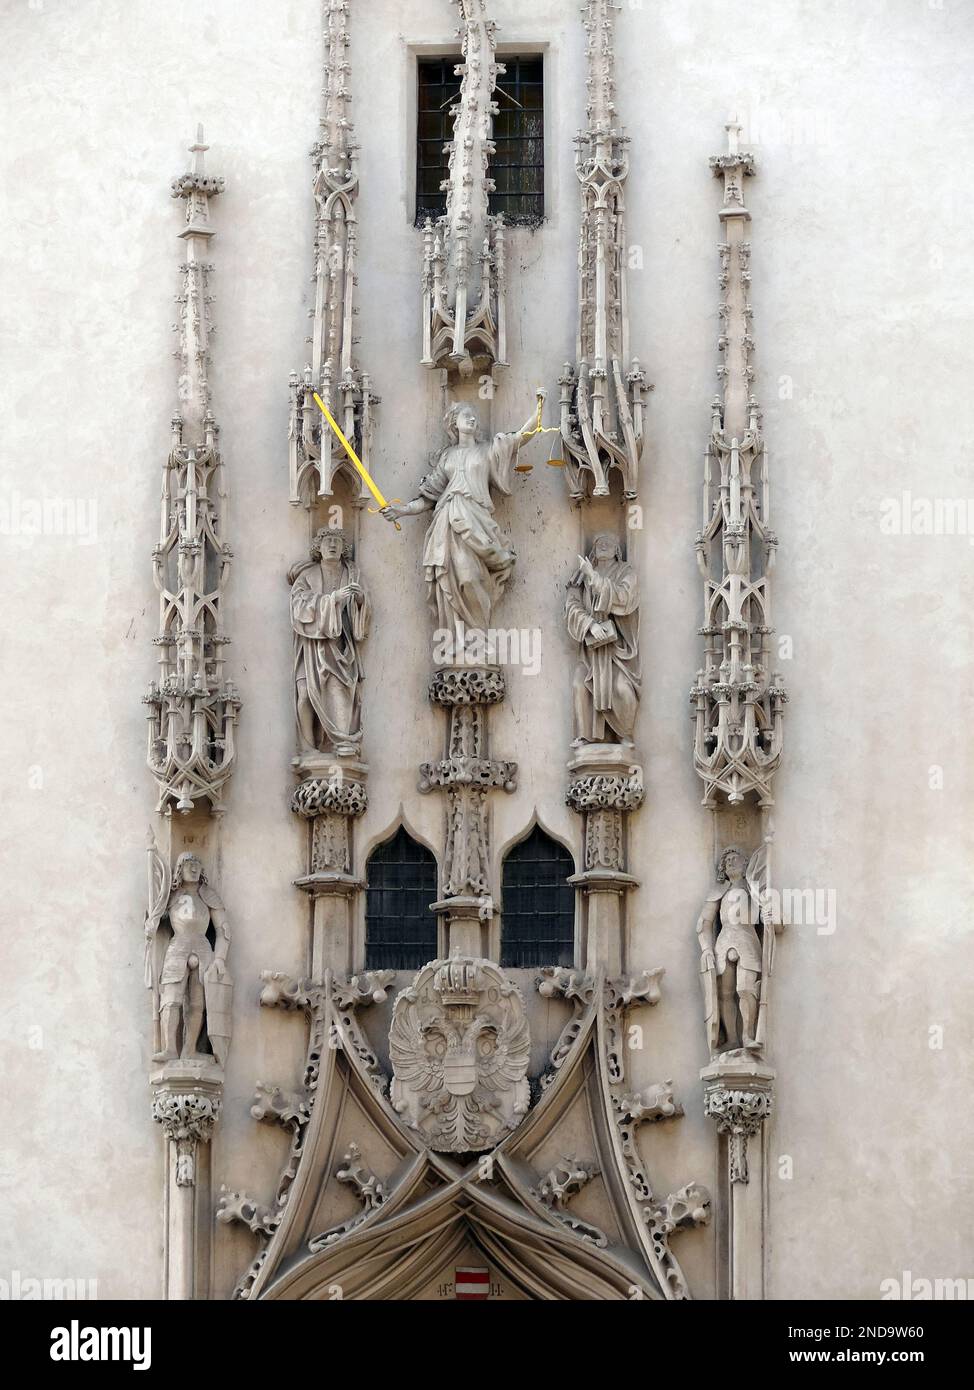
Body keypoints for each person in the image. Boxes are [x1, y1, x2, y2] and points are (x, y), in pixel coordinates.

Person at [380, 399, 541, 644]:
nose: (473, 419)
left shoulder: (488, 450)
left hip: (477, 520)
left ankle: (478, 637)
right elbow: (429, 497)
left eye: (474, 416)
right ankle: (456, 639)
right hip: (448, 520)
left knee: (471, 577)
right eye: (467, 416)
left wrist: (537, 413)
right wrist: (402, 510)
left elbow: (518, 439)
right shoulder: (447, 457)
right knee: (455, 577)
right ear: (454, 423)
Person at [289, 527, 371, 755]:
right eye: (327, 542)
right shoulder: (308, 575)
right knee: (304, 693)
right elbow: (298, 606)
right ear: (318, 548)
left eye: (336, 541)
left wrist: (360, 601)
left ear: (343, 548)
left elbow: (364, 609)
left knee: (338, 692)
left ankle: (341, 741)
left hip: (340, 646)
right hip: (310, 646)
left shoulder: (352, 575)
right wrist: (332, 599)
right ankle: (307, 748)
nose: (332, 545)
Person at [566, 532, 640, 745]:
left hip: (618, 650)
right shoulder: (580, 577)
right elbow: (571, 605)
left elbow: (623, 598)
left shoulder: (627, 573)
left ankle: (624, 733)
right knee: (579, 683)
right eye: (599, 542)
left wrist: (593, 577)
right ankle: (585, 735)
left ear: (618, 549)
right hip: (591, 651)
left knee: (621, 688)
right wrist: (590, 625)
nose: (603, 545)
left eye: (609, 542)